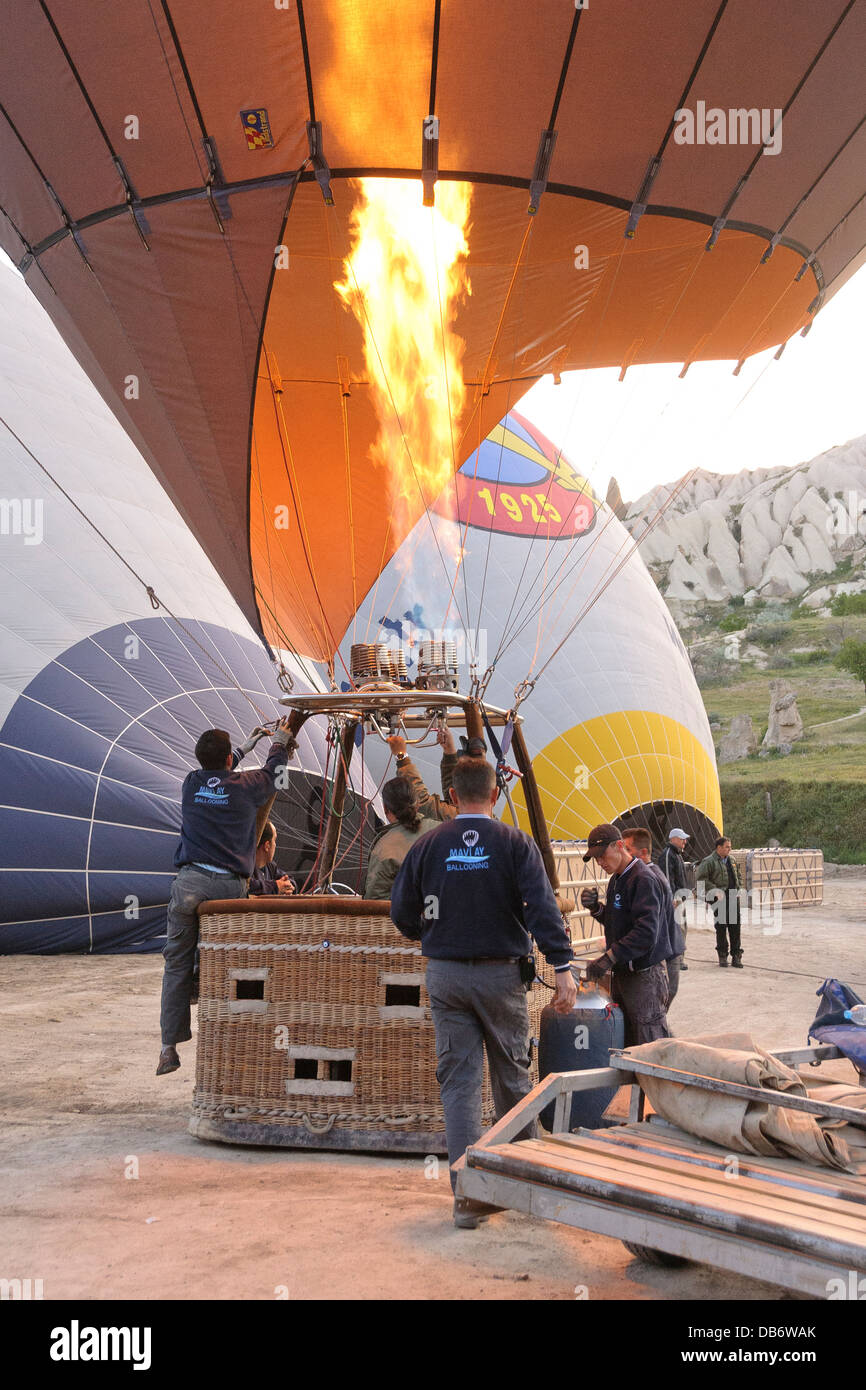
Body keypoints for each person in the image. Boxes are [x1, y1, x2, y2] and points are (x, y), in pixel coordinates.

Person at [390, 756, 576, 1228]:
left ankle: (467, 1199)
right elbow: (541, 909)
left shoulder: (430, 844)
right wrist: (562, 967)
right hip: (500, 977)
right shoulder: (516, 843)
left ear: (451, 796)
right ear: (495, 795)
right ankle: (525, 1188)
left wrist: (431, 935)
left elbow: (401, 911)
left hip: (446, 976)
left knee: (458, 1085)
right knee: (513, 1079)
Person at [157, 718, 295, 1076]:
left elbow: (218, 769)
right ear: (230, 762)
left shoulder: (190, 784)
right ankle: (231, 1030)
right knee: (231, 961)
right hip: (228, 889)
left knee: (175, 961)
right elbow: (273, 769)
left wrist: (244, 747)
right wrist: (278, 741)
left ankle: (168, 1047)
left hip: (190, 883)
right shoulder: (247, 786)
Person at [579, 824, 671, 1047]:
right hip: (624, 976)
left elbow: (645, 933)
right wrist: (597, 909)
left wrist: (609, 957)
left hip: (644, 978)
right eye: (595, 858)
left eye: (602, 855)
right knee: (627, 1044)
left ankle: (653, 1082)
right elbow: (618, 922)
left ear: (619, 845)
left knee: (649, 1045)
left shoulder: (643, 879)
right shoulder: (617, 879)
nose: (600, 862)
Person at [622, 828, 684, 1007]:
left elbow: (647, 926)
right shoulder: (651, 873)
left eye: (628, 850)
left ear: (642, 853)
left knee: (656, 1005)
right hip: (670, 948)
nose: (623, 854)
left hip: (663, 953)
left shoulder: (646, 878)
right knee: (661, 1002)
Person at [364, 778, 439, 899]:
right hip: (450, 914)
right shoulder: (443, 832)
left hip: (406, 916)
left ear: (385, 808)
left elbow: (375, 900)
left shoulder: (383, 848)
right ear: (418, 803)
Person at [387, 727, 458, 821]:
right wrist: (450, 753)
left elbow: (423, 805)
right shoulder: (474, 814)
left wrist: (401, 757)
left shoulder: (460, 817)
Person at [696, 835, 743, 968]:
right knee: (721, 928)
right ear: (719, 848)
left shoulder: (732, 860)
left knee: (735, 928)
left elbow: (738, 875)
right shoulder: (708, 861)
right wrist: (715, 890)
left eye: (730, 846)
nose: (730, 849)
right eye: (727, 847)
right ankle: (723, 956)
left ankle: (736, 956)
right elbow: (701, 879)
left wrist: (739, 888)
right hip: (719, 900)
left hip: (733, 897)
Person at [656, 828, 690, 971]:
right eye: (682, 839)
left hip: (679, 899)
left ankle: (678, 958)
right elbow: (668, 879)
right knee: (676, 929)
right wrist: (673, 899)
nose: (685, 842)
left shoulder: (677, 855)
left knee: (681, 929)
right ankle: (675, 959)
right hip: (674, 901)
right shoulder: (669, 854)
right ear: (674, 839)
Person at [249, 821, 297, 897]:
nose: (275, 845)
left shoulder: (270, 866)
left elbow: (290, 879)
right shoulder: (246, 868)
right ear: (267, 846)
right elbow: (248, 886)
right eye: (274, 840)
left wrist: (287, 886)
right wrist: (275, 886)